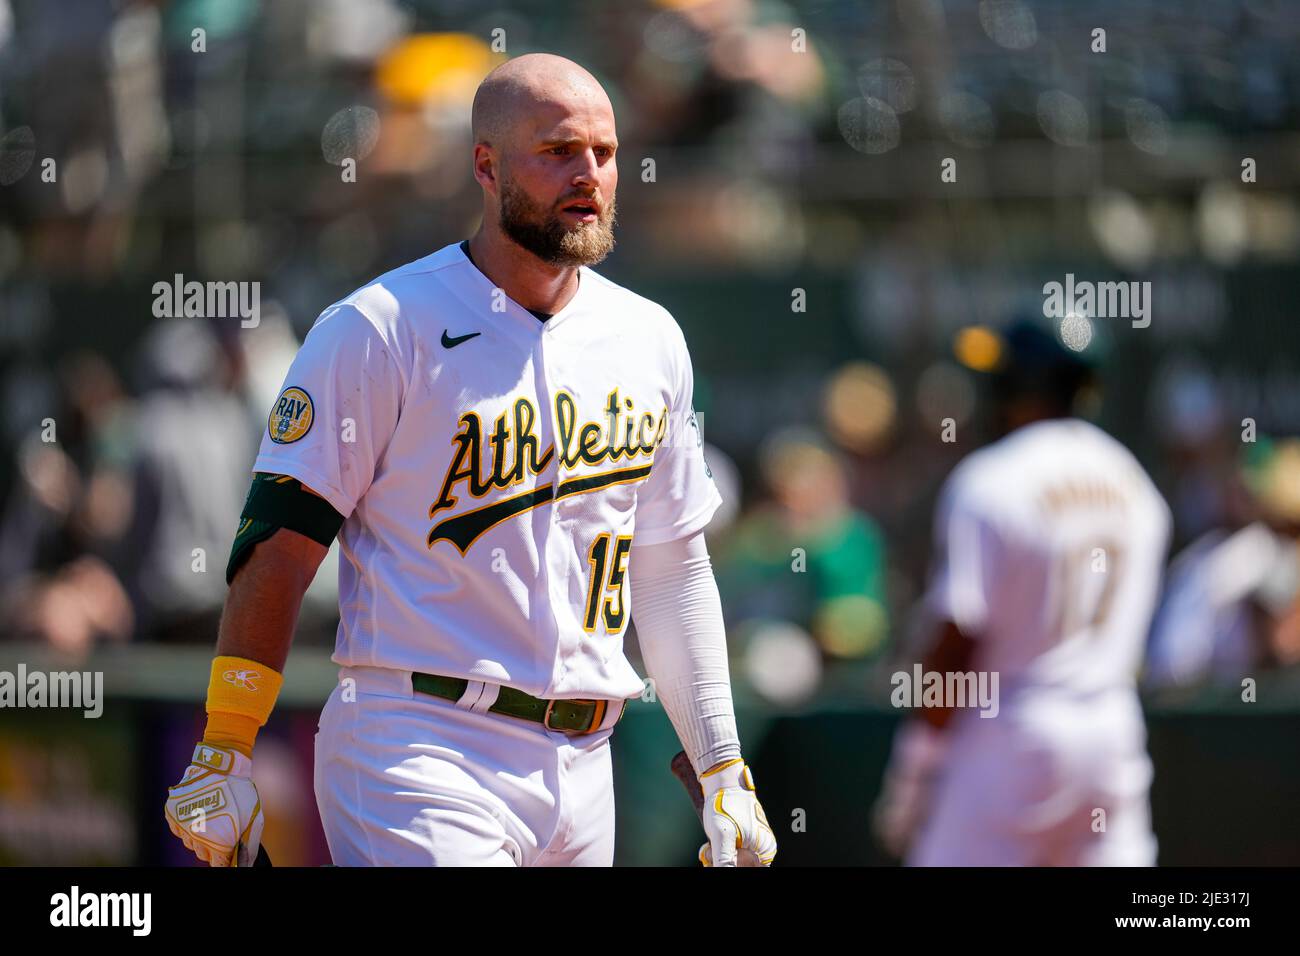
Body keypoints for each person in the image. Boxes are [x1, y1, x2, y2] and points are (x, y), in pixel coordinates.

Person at [163, 54, 776, 867]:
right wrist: (226, 742)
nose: (588, 173)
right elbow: (279, 547)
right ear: (485, 167)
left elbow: (670, 568)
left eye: (605, 151)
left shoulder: (649, 337)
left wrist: (723, 764)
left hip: (588, 760)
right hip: (420, 743)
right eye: (558, 150)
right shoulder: (381, 326)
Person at [874, 319, 1170, 866]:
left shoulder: (992, 479)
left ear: (1017, 386)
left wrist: (916, 765)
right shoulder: (1133, 481)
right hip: (1112, 727)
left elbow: (959, 639)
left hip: (1012, 731)